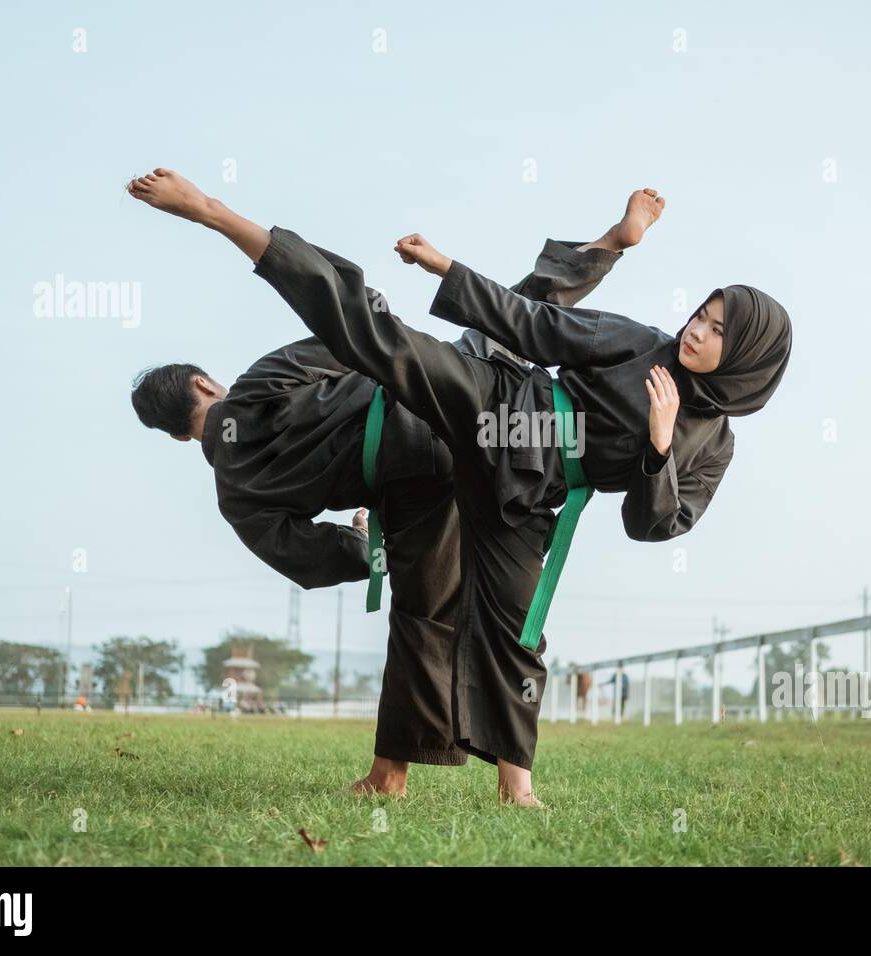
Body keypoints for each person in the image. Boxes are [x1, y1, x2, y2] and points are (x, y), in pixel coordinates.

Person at [125, 168, 625, 804]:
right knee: (511, 319)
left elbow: (306, 555)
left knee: (424, 618)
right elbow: (352, 333)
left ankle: (391, 778)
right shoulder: (255, 385)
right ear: (204, 384)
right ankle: (607, 246)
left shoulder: (235, 496)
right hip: (431, 408)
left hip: (407, 482)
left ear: (177, 436)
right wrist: (212, 212)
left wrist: (366, 548)